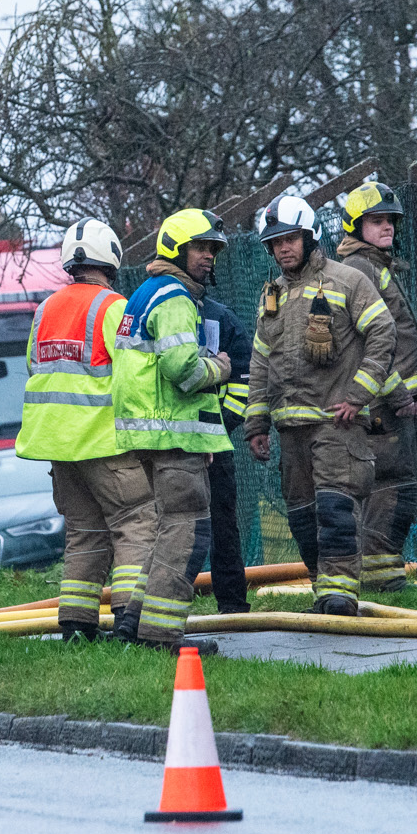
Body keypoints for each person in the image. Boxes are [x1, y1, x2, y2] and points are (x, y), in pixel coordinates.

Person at [245, 194, 395, 616]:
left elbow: (383, 334)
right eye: (275, 243)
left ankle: (341, 597)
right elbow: (260, 362)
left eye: (290, 239)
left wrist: (359, 395)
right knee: (303, 518)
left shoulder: (347, 281)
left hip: (336, 423)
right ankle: (322, 591)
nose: (283, 248)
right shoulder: (271, 295)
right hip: (289, 426)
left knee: (335, 510)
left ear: (310, 237)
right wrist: (256, 423)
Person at [17, 218, 156, 641]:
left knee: (84, 531)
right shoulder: (114, 306)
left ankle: (77, 624)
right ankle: (132, 619)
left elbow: (33, 368)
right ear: (110, 260)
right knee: (136, 522)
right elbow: (136, 375)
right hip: (104, 440)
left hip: (57, 445)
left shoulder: (44, 310)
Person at [111, 209, 234, 649]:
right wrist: (219, 368)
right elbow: (182, 371)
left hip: (150, 434)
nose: (209, 258)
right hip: (171, 434)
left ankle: (133, 624)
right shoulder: (176, 299)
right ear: (175, 251)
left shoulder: (146, 292)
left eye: (213, 250)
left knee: (170, 528)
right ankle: (161, 635)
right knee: (188, 529)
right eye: (200, 248)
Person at [333, 180, 417, 594]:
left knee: (392, 485)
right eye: (376, 220)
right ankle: (382, 579)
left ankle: (379, 576)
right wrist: (400, 394)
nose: (387, 227)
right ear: (355, 225)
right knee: (392, 485)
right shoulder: (361, 270)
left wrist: (414, 391)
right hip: (379, 401)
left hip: (388, 397)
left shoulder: (374, 265)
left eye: (390, 220)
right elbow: (375, 343)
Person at [198, 291, 253, 615]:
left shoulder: (221, 318)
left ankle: (232, 605)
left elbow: (243, 375)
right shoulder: (161, 311)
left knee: (223, 526)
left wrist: (221, 423)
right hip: (170, 441)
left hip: (215, 442)